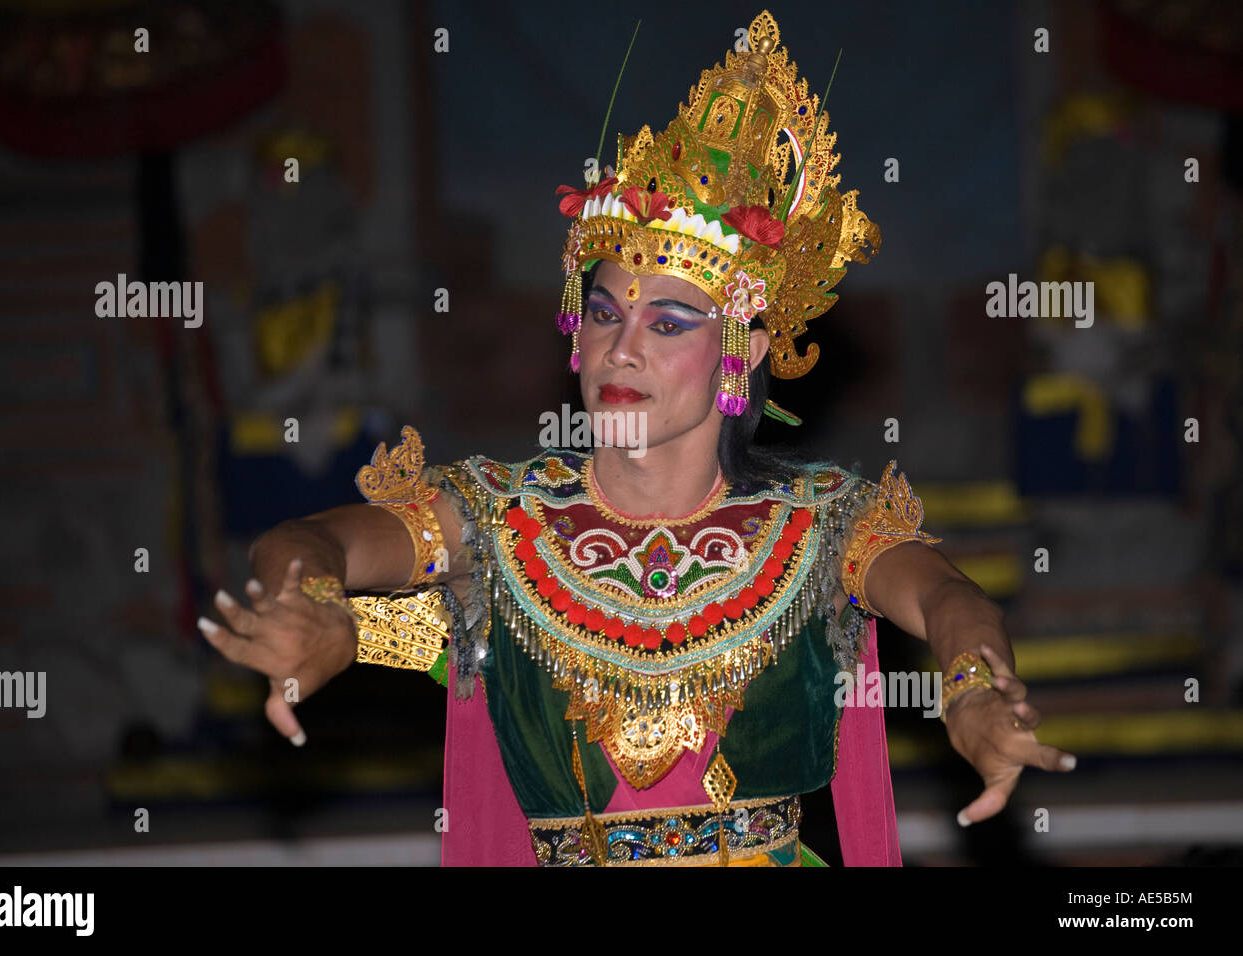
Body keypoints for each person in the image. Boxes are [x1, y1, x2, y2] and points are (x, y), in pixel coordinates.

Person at [198, 9, 1076, 866]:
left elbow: (952, 600)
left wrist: (970, 691)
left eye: (668, 323)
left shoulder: (818, 529)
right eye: (605, 312)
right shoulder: (499, 521)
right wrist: (310, 599)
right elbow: (306, 540)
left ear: (741, 350)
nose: (622, 346)